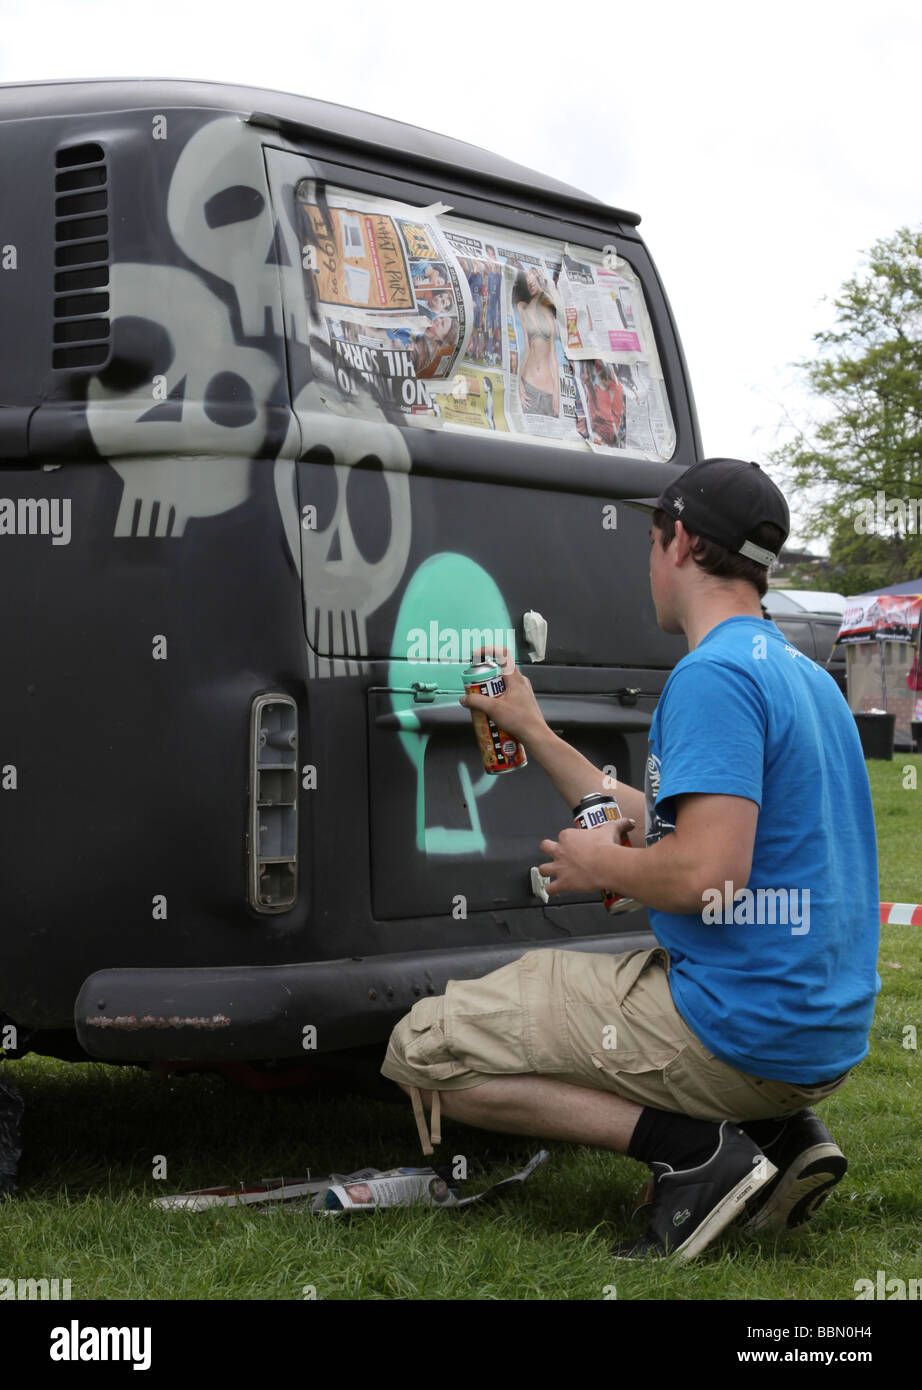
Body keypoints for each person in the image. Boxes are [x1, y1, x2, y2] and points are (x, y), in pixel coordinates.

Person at [381, 458, 881, 1261]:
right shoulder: (799, 672)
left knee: (426, 1046)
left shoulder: (711, 675)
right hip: (814, 1031)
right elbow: (688, 820)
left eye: (651, 540)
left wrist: (600, 866)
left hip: (736, 1028)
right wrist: (537, 733)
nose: (647, 560)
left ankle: (697, 1155)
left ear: (679, 542)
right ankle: (781, 1133)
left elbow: (705, 873)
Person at [511, 264, 559, 417]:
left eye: (529, 276)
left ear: (534, 273)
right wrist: (517, 382)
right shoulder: (522, 307)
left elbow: (553, 355)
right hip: (528, 387)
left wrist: (557, 392)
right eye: (523, 280)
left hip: (549, 392)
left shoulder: (550, 305)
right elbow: (526, 348)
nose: (528, 281)